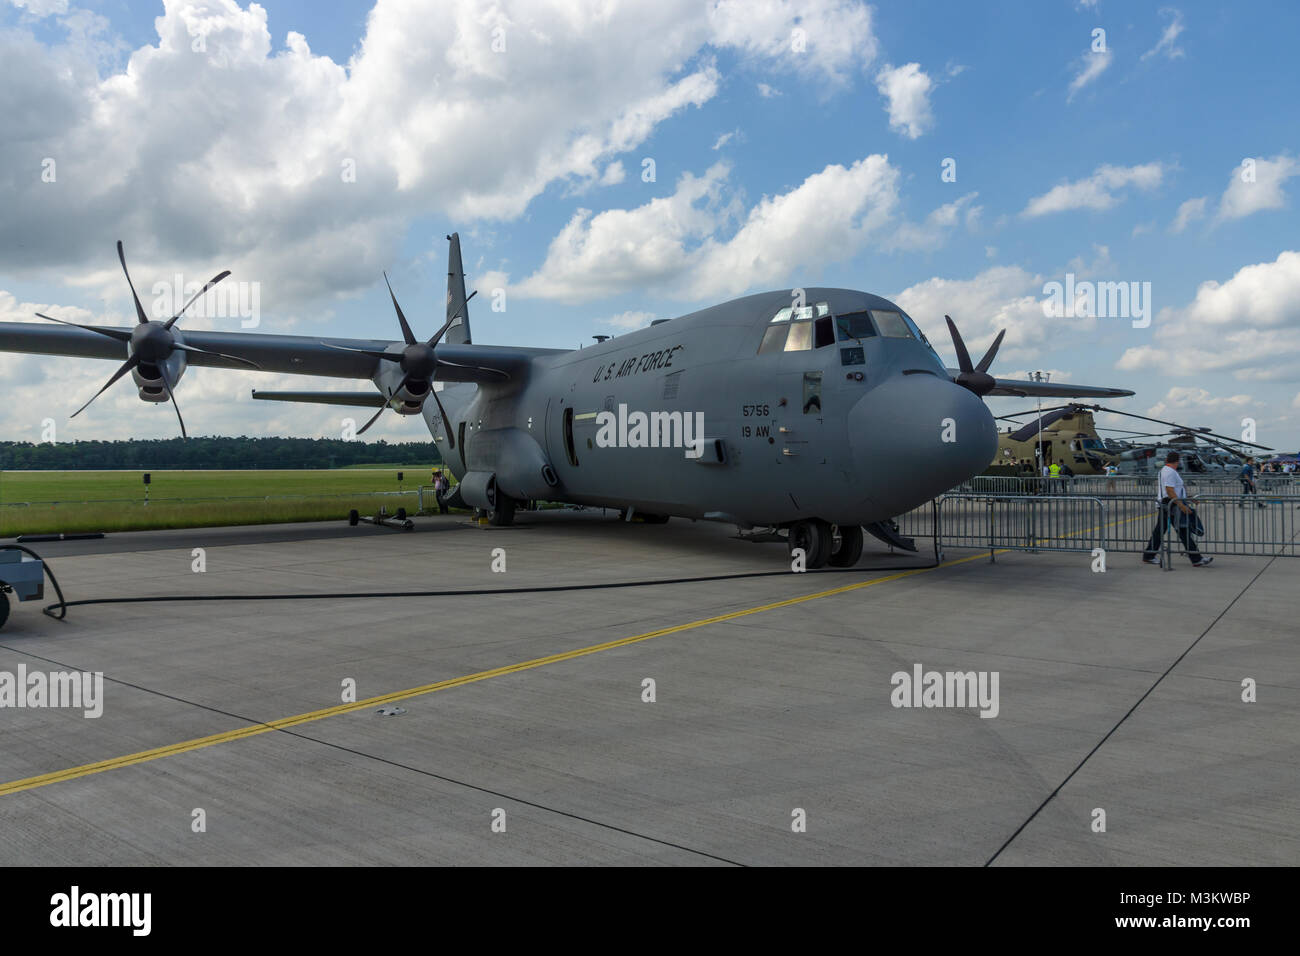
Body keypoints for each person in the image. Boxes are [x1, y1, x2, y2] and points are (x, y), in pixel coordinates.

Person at [1143, 451, 1213, 567]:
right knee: (1183, 531)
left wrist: (1188, 498)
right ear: (1177, 461)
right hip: (1172, 505)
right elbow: (1170, 490)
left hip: (1166, 504)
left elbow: (1174, 490)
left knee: (1160, 531)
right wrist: (1181, 505)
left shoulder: (1164, 470)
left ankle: (1149, 555)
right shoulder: (1170, 472)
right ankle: (1196, 559)